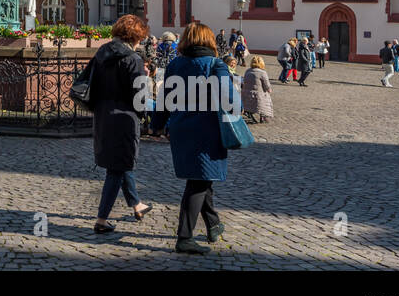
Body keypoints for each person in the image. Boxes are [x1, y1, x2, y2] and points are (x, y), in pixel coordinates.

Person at [164, 21, 236, 255]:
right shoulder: (216, 65)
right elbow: (232, 102)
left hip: (180, 129)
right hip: (207, 132)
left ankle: (213, 224)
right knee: (198, 181)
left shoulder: (174, 65)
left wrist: (155, 126)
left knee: (204, 178)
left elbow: (165, 100)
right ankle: (184, 237)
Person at [87, 14, 153, 233]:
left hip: (103, 114)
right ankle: (102, 220)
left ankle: (136, 204)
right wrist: (144, 114)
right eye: (141, 37)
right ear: (136, 35)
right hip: (124, 117)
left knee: (119, 164)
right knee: (117, 169)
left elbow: (91, 85)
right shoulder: (133, 59)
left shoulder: (101, 53)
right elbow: (139, 96)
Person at [241, 56, 274, 123]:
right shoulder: (262, 73)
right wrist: (269, 90)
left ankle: (249, 112)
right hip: (258, 94)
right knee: (266, 97)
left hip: (246, 93)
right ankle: (263, 116)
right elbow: (266, 85)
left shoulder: (248, 71)